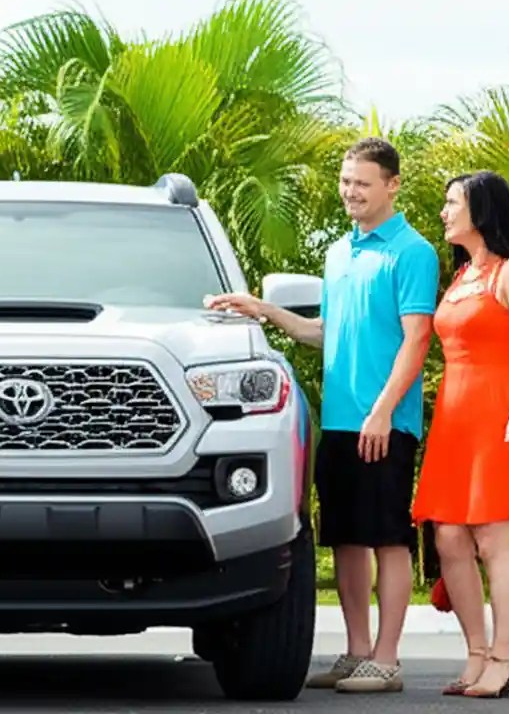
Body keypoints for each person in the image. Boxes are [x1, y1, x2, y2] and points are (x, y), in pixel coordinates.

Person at [207, 137, 439, 694]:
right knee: (347, 540)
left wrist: (382, 411)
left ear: (391, 185)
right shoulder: (340, 253)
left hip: (384, 423)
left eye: (362, 182)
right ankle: (358, 652)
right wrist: (264, 312)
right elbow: (324, 334)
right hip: (338, 421)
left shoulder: (411, 252)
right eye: (345, 181)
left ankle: (387, 659)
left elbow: (418, 340)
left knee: (388, 540)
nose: (350, 192)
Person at [411, 170, 509, 699]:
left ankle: (504, 656)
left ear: (480, 209)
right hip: (453, 418)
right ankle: (474, 652)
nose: (444, 212)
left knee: (493, 538)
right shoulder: (462, 276)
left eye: (452, 203)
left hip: (498, 413)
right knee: (448, 536)